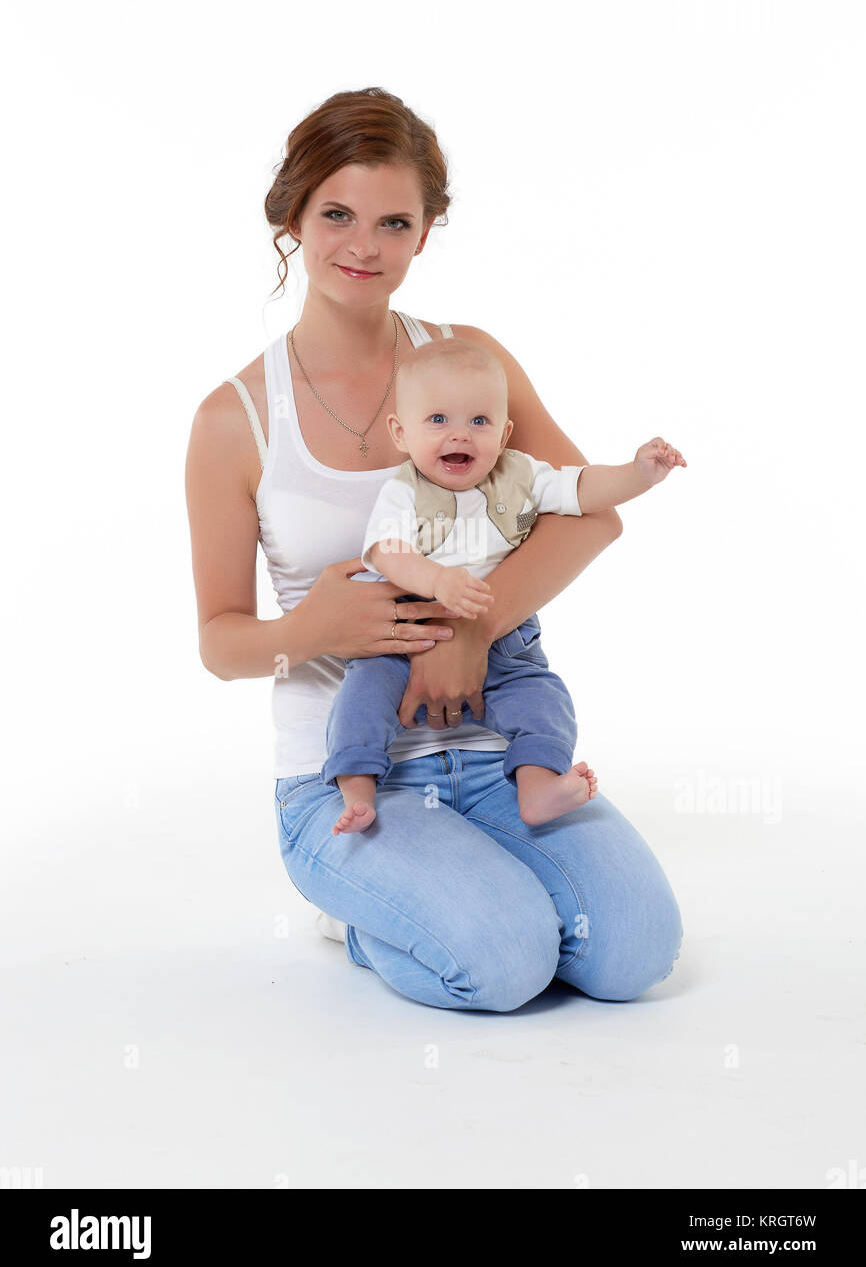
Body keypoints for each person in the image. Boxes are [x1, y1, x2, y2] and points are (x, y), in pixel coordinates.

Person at [184, 85, 684, 1012]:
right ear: (292, 215)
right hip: (350, 773)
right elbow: (220, 642)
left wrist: (474, 631)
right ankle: (370, 911)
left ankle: (465, 881)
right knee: (507, 965)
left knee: (634, 956)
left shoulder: (468, 361)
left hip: (499, 748)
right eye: (336, 214)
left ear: (426, 231)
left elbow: (588, 512)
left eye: (394, 221)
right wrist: (318, 624)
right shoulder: (236, 419)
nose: (363, 246)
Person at [323, 334, 686, 834]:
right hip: (404, 636)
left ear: (504, 431)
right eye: (437, 420)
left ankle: (538, 788)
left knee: (542, 698)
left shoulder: (521, 474)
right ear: (401, 432)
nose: (460, 436)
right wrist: (437, 580)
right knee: (361, 697)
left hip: (504, 639)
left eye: (479, 421)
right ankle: (359, 791)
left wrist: (638, 473)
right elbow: (387, 551)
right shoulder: (403, 490)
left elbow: (584, 491)